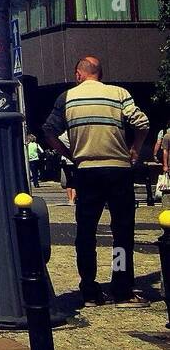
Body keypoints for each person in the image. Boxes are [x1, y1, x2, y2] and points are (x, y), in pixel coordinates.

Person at [41, 55, 150, 307]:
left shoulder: (67, 97)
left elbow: (48, 131)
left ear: (78, 75)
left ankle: (89, 290)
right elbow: (141, 123)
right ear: (100, 73)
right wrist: (134, 148)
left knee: (86, 233)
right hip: (118, 169)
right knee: (122, 232)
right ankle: (121, 288)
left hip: (86, 170)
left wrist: (70, 154)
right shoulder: (119, 93)